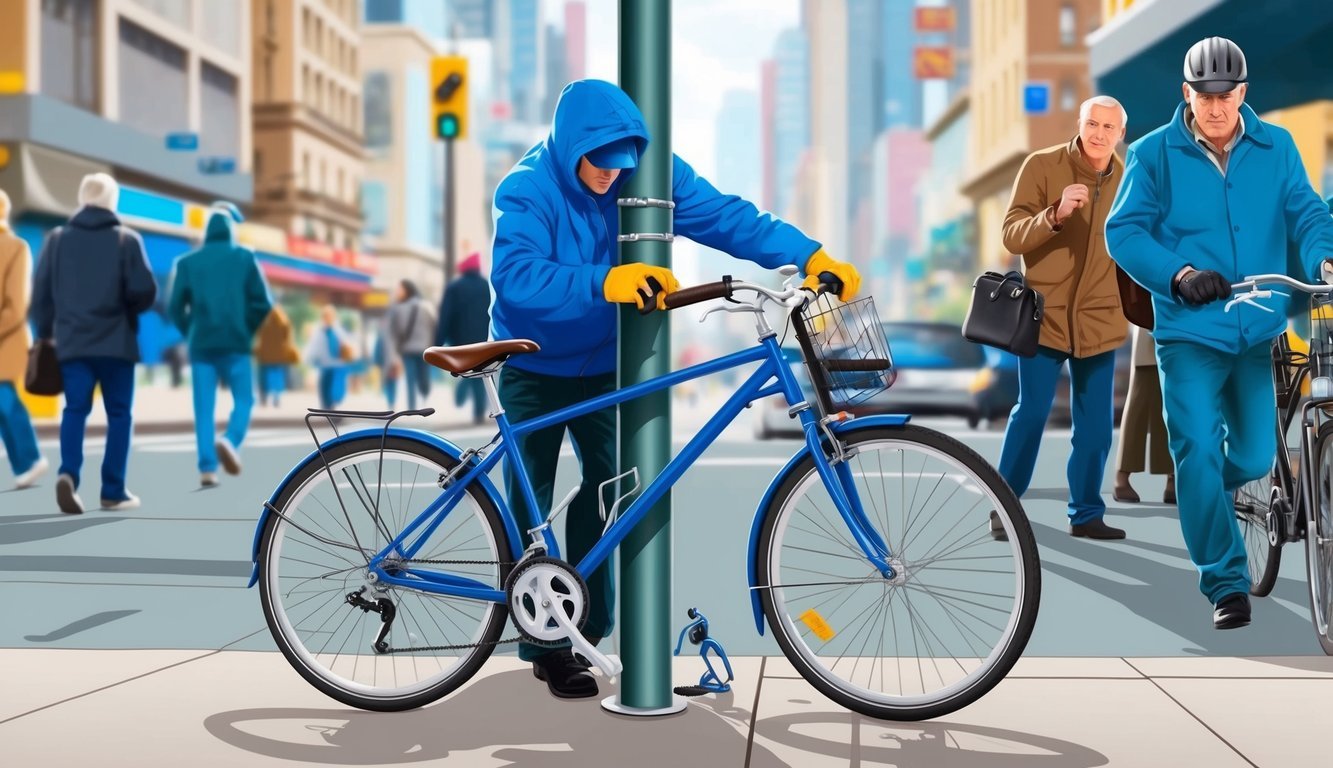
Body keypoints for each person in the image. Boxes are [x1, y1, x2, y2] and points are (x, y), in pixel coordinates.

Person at [489, 79, 860, 699]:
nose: (610, 177)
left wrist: (810, 253)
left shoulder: (646, 171)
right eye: (597, 164)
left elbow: (727, 218)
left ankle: (577, 631)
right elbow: (516, 277)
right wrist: (605, 282)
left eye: (621, 165)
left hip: (606, 365)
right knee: (528, 507)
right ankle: (544, 645)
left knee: (612, 494)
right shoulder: (527, 188)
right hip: (531, 364)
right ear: (569, 147)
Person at [1107, 37, 1333, 630]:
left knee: (1257, 453)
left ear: (1242, 93)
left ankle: (1205, 494)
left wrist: (1323, 261)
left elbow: (1307, 213)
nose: (1214, 108)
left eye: (1225, 96)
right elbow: (1123, 232)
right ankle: (1226, 584)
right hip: (1188, 334)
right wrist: (1178, 275)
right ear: (1187, 93)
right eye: (1203, 96)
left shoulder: (1276, 146)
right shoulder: (1154, 154)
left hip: (1256, 329)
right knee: (1198, 450)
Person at [995, 95, 1131, 541]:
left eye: (1109, 128)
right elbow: (1012, 236)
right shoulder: (1042, 165)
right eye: (1093, 124)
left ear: (1120, 135)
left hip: (1101, 318)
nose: (1099, 134)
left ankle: (1087, 514)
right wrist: (1053, 215)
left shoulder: (1129, 178)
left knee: (1094, 429)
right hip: (1044, 317)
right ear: (1080, 123)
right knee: (1030, 414)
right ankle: (1004, 508)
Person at [30, 173, 157, 514]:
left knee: (75, 410)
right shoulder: (126, 240)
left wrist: (44, 333)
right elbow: (144, 291)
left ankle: (68, 474)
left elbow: (41, 296)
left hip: (72, 343)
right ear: (112, 201)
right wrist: (126, 306)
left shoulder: (57, 239)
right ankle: (113, 490)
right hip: (116, 344)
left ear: (82, 199)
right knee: (118, 415)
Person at [168, 203, 273, 488]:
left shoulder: (187, 263)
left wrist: (190, 330)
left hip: (202, 344)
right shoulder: (244, 258)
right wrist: (246, 326)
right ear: (230, 231)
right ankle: (230, 439)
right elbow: (262, 303)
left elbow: (175, 307)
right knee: (244, 399)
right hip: (236, 344)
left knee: (203, 407)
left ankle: (207, 469)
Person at [0, 189, 48, 490]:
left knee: (5, 400)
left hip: (5, 341)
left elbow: (16, 305)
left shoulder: (15, 247)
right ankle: (26, 463)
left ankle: (29, 460)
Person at [1114, 325, 1175, 504]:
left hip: (1185, 323)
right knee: (1139, 403)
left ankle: (1172, 476)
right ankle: (1122, 475)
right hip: (1150, 320)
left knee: (1175, 406)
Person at [435, 251, 491, 424]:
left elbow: (446, 315)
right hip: (484, 338)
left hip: (461, 339)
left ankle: (462, 398)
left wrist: (437, 342)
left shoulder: (455, 287)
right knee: (480, 373)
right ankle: (479, 411)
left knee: (468, 370)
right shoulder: (486, 286)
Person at [384, 279, 437, 411]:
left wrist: (394, 352)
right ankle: (425, 393)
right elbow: (434, 325)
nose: (397, 292)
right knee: (423, 376)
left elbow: (394, 332)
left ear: (407, 290)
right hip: (425, 349)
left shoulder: (398, 309)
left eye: (399, 289)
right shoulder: (427, 306)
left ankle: (412, 408)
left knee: (410, 379)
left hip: (408, 349)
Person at [306, 304, 354, 410]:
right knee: (324, 386)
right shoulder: (320, 330)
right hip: (325, 364)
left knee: (333, 388)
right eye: (326, 316)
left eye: (330, 316)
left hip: (337, 363)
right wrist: (311, 358)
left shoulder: (337, 329)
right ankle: (326, 406)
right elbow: (314, 346)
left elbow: (346, 344)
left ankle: (331, 405)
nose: (328, 318)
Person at [255, 305, 299, 407]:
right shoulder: (284, 324)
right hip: (280, 357)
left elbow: (259, 339)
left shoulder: (264, 325)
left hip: (265, 356)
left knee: (264, 378)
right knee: (278, 377)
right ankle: (276, 397)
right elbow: (288, 340)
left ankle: (264, 398)